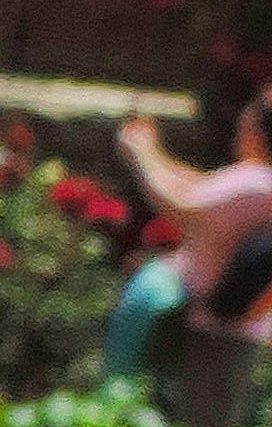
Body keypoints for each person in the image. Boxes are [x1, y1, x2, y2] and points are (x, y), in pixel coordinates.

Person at [105, 91, 272, 389]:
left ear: (255, 132)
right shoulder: (254, 182)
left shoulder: (258, 184)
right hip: (216, 329)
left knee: (195, 425)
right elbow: (193, 183)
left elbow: (182, 203)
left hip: (216, 335)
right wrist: (152, 148)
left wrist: (140, 152)